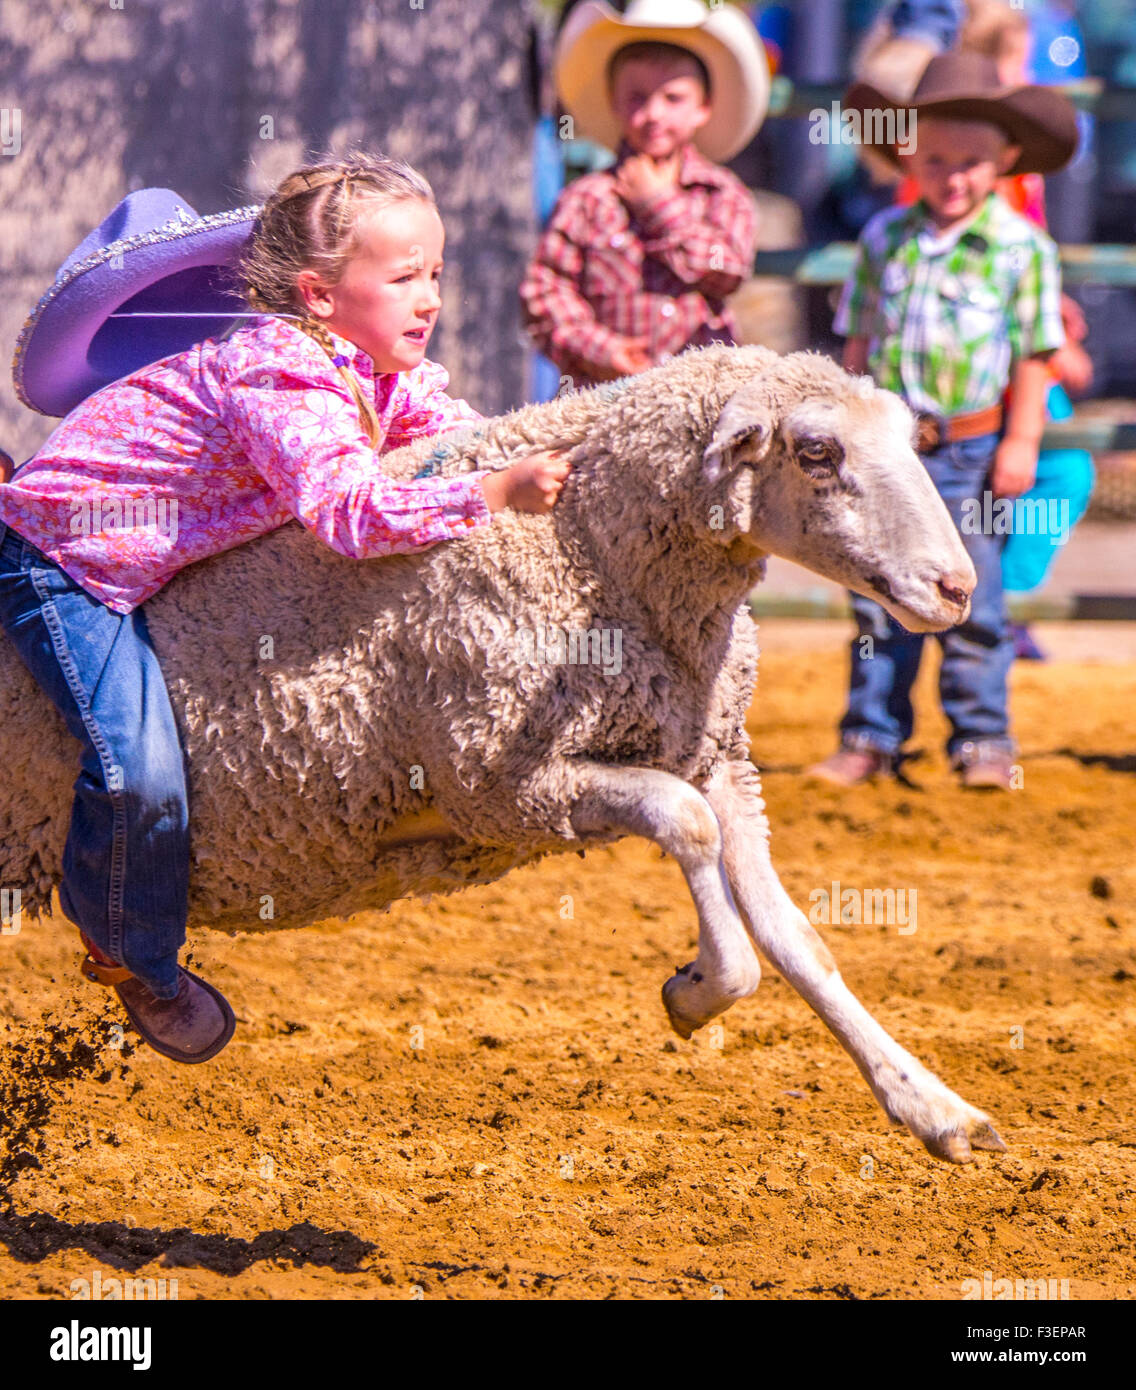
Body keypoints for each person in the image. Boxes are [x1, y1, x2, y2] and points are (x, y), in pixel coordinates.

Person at [0, 157, 570, 1063]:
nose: (428, 300)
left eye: (436, 275)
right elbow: (347, 513)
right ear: (317, 295)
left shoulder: (386, 372)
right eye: (401, 279)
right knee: (135, 770)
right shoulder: (277, 370)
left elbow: (464, 437)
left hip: (157, 559)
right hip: (66, 561)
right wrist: (493, 494)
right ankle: (131, 953)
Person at [807, 53, 1078, 790]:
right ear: (908, 155)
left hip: (971, 448)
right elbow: (858, 345)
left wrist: (1021, 441)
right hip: (892, 451)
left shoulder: (1023, 249)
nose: (952, 177)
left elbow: (1036, 354)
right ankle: (870, 733)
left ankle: (982, 740)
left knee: (976, 599)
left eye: (971, 163)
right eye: (935, 160)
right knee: (879, 598)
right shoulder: (883, 241)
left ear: (1005, 162)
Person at [519, 0, 768, 388]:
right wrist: (602, 350)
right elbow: (545, 291)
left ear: (703, 107)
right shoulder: (588, 199)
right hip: (602, 398)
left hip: (699, 395)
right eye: (637, 97)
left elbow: (728, 269)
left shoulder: (721, 195)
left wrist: (657, 206)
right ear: (615, 102)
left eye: (672, 99)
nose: (653, 114)